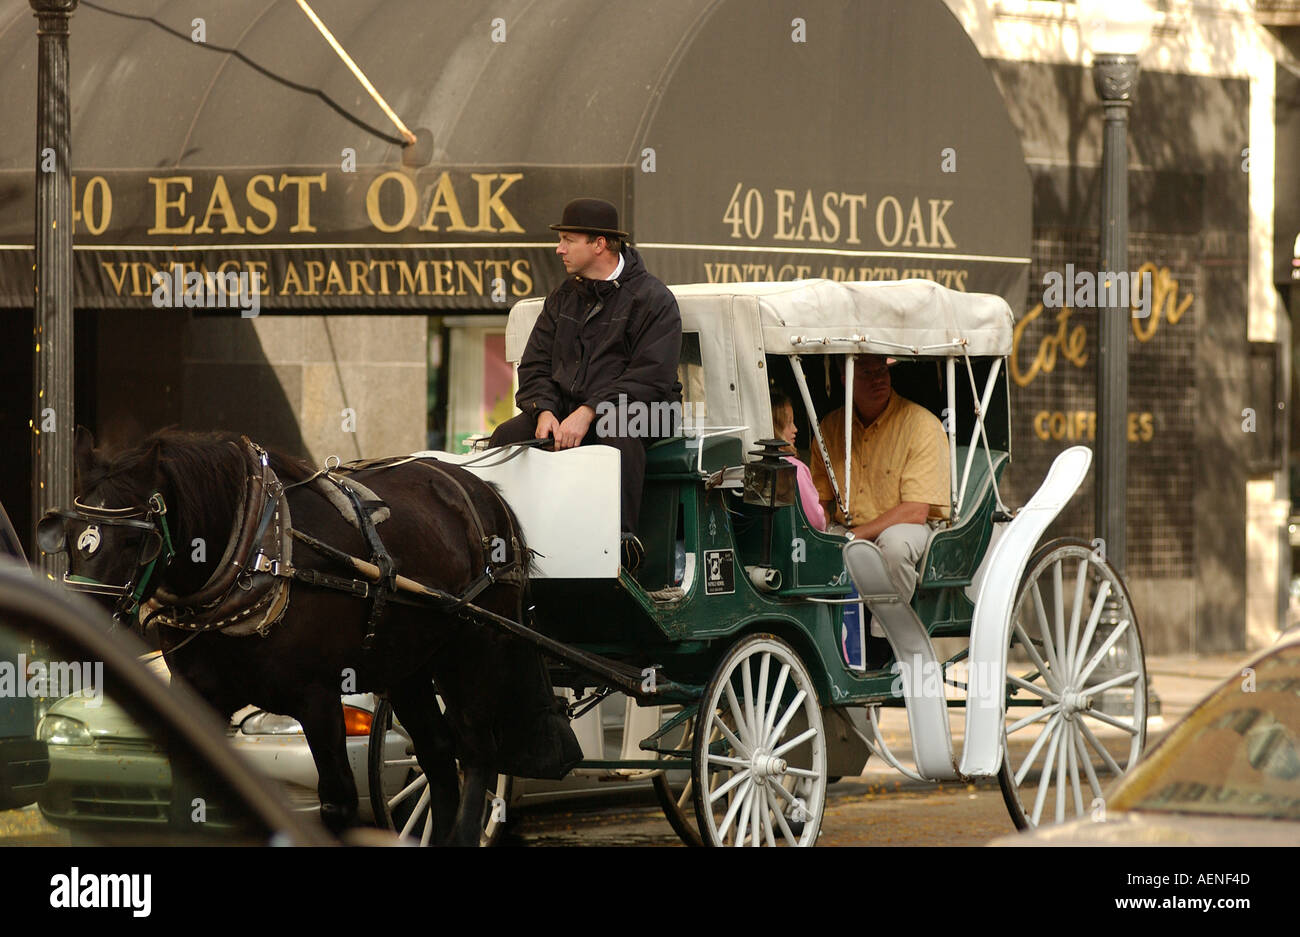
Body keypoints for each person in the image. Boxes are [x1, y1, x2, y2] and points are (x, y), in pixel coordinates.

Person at [489, 197, 682, 570]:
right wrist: (542, 409)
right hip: (563, 410)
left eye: (568, 239)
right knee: (506, 437)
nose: (558, 248)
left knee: (617, 429)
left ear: (599, 244)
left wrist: (589, 411)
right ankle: (503, 546)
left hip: (647, 411)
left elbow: (650, 378)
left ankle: (620, 547)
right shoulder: (562, 297)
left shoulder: (655, 299)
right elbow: (535, 366)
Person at [809, 354, 950, 662]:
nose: (879, 378)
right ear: (846, 380)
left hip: (910, 528)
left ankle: (884, 641)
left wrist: (855, 536)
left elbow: (915, 510)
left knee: (894, 545)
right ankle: (824, 639)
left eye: (882, 370)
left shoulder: (920, 424)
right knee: (811, 546)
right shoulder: (831, 427)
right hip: (848, 528)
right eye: (867, 372)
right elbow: (819, 500)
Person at [770, 386, 825, 531]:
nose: (795, 429)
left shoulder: (752, 464)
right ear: (775, 426)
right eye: (788, 423)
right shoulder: (795, 469)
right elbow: (815, 520)